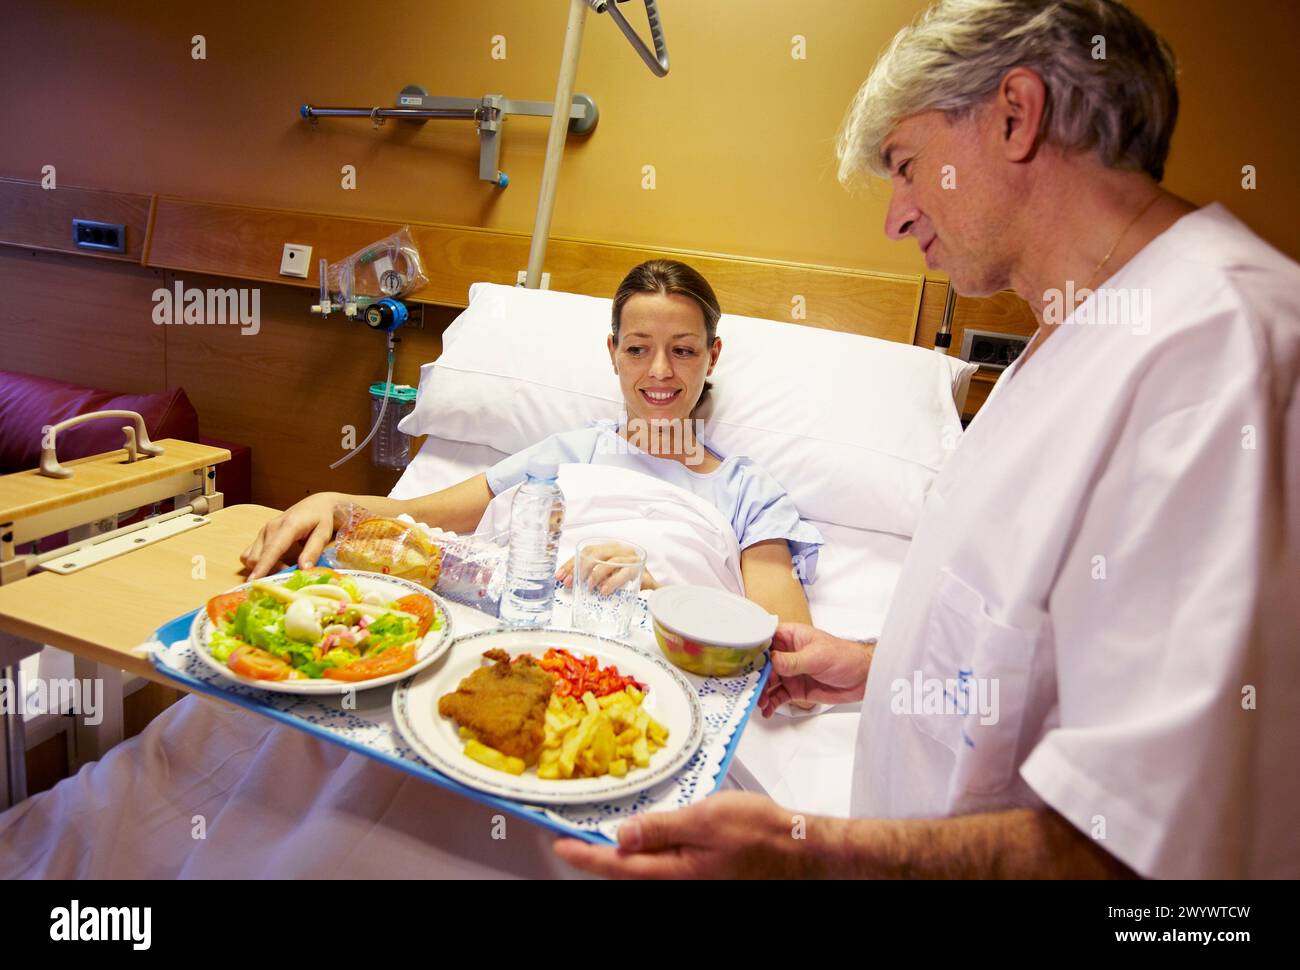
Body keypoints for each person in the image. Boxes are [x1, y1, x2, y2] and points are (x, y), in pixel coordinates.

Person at [555, 0, 1300, 879]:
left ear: (1016, 116)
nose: (895, 217)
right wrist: (879, 665)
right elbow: (1036, 641)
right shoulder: (1062, 345)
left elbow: (1156, 854)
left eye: (907, 167)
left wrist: (811, 855)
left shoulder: (1217, 352)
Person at [244, 258, 821, 625]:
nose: (661, 372)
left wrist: (660, 597)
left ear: (711, 356)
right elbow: (419, 517)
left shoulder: (747, 490)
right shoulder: (568, 454)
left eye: (684, 350)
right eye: (639, 348)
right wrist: (331, 504)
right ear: (613, 353)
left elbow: (788, 648)